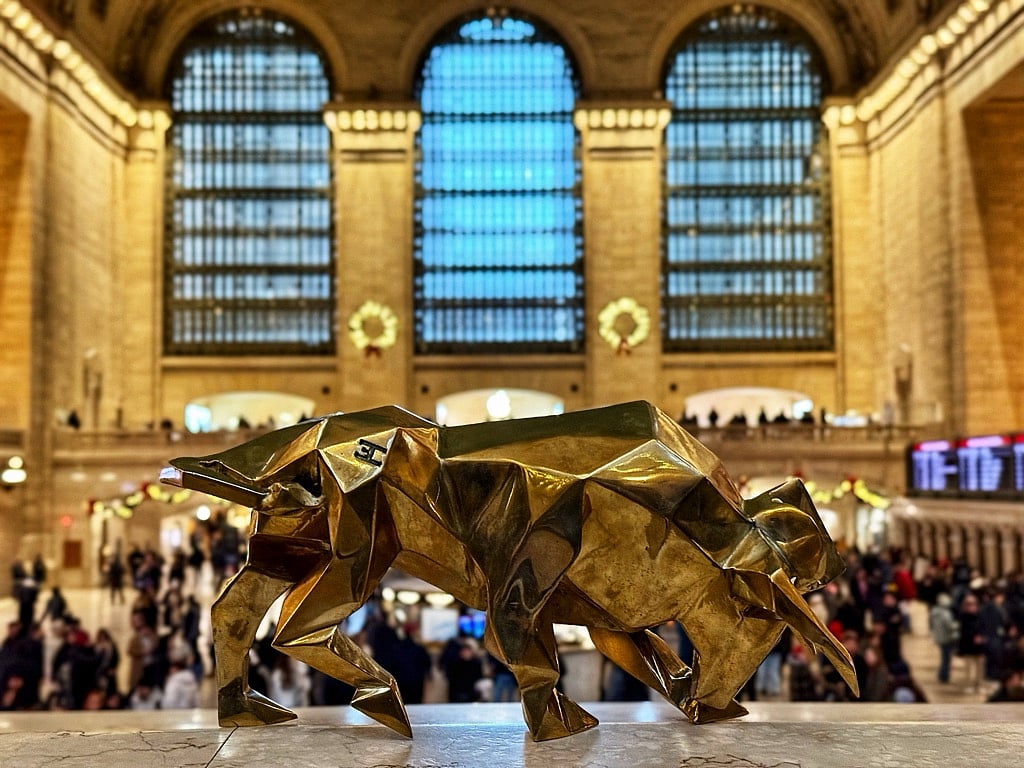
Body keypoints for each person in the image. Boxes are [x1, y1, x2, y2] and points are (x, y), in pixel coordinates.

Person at [929, 593, 959, 684]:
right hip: (946, 638)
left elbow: (931, 625)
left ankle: (942, 675)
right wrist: (957, 625)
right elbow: (949, 625)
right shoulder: (945, 613)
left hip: (938, 637)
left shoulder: (933, 611)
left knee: (944, 657)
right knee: (946, 658)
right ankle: (944, 676)